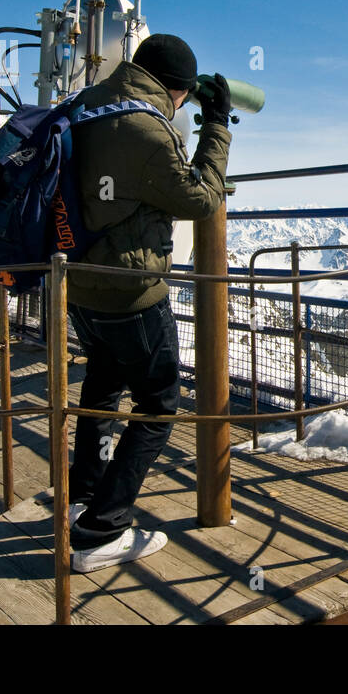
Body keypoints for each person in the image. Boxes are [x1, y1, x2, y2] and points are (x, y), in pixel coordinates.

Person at [63, 33, 232, 572]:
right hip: (131, 293)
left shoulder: (89, 102)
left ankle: (80, 501)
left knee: (102, 386)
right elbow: (200, 199)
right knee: (159, 407)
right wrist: (219, 126)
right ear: (179, 90)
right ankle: (99, 531)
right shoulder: (146, 131)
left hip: (80, 285)